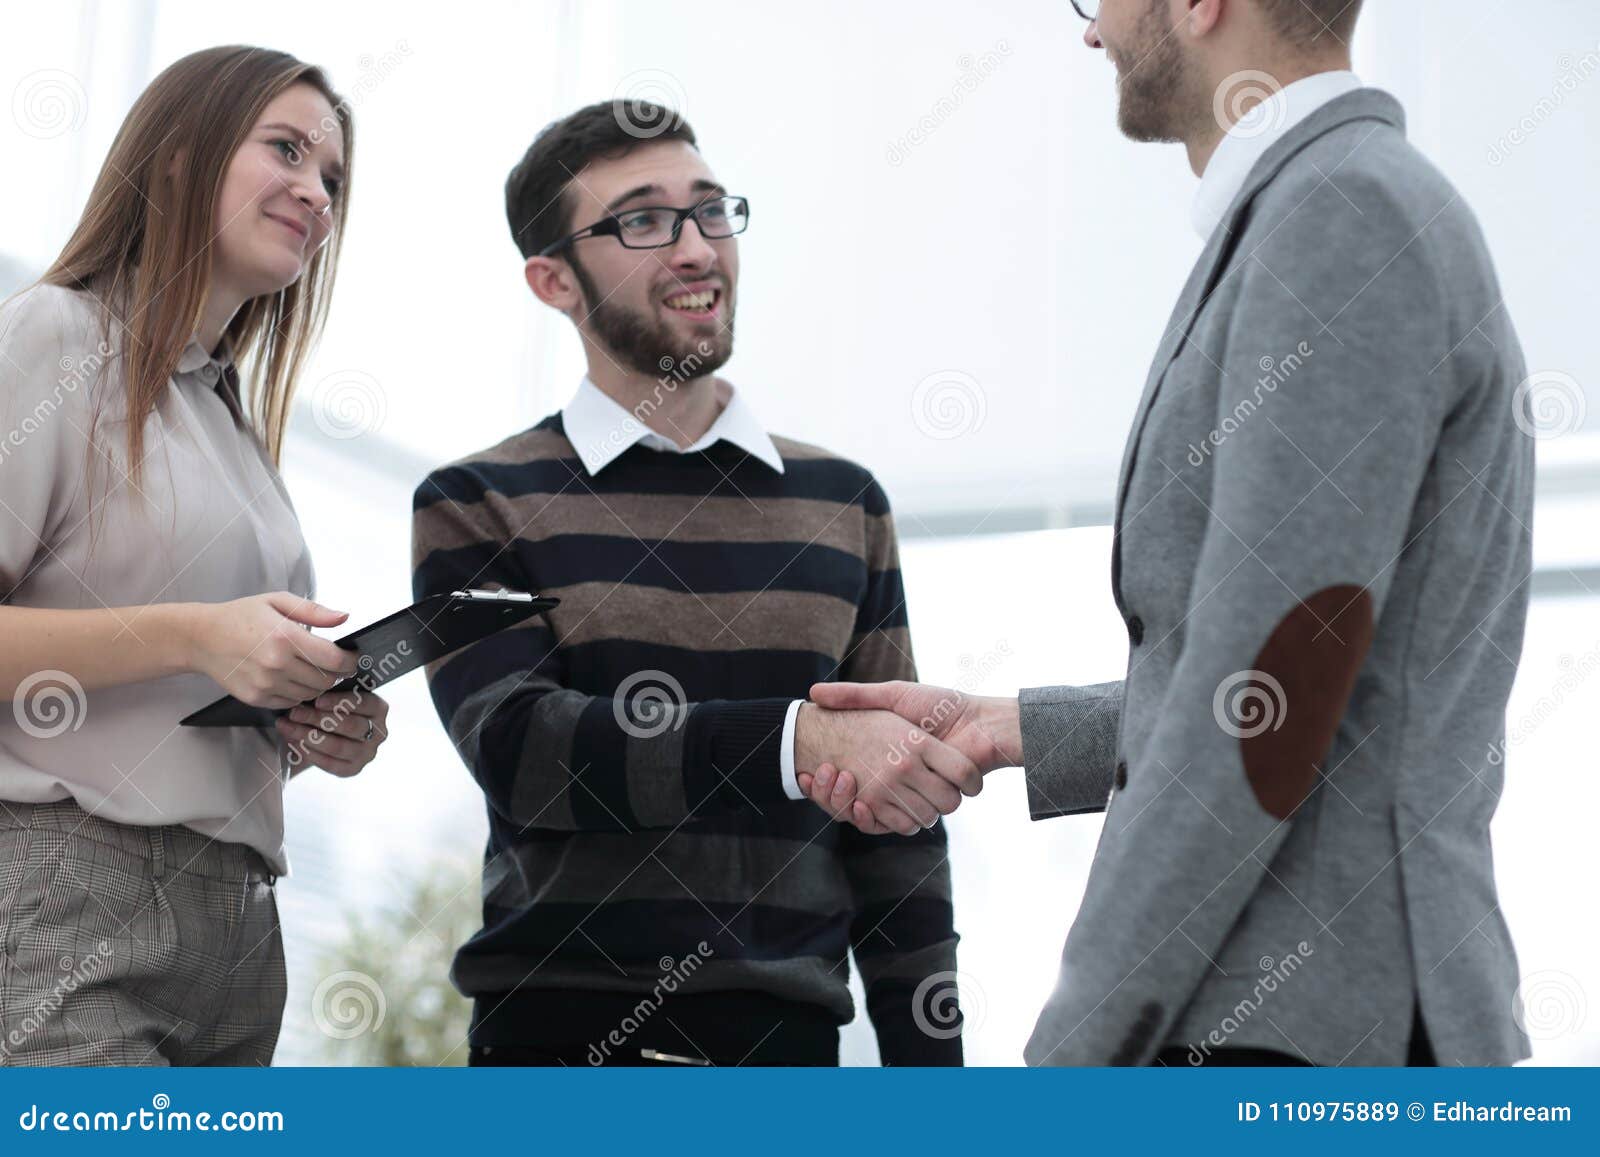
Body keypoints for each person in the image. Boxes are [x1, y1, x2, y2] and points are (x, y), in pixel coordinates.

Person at [802, 0, 1532, 1067]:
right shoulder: (1333, 203)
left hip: (1305, 1033)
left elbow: (1266, 711)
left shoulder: (1340, 213)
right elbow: (1317, 685)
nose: (1091, 33)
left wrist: (1074, 1057)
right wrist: (1015, 726)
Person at [411, 100, 971, 1067]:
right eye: (642, 220)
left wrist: (937, 1082)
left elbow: (897, 826)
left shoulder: (846, 505)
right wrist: (795, 739)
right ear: (554, 280)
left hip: (788, 1051)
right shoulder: (476, 500)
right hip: (554, 1049)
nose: (696, 247)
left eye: (711, 210)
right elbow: (526, 754)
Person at [0, 45, 390, 1067]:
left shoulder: (229, 424)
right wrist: (201, 635)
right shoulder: (54, 338)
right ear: (177, 159)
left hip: (240, 929)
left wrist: (305, 725)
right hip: (67, 892)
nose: (316, 192)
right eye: (287, 150)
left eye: (333, 178)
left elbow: (184, 710)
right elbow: (184, 647)